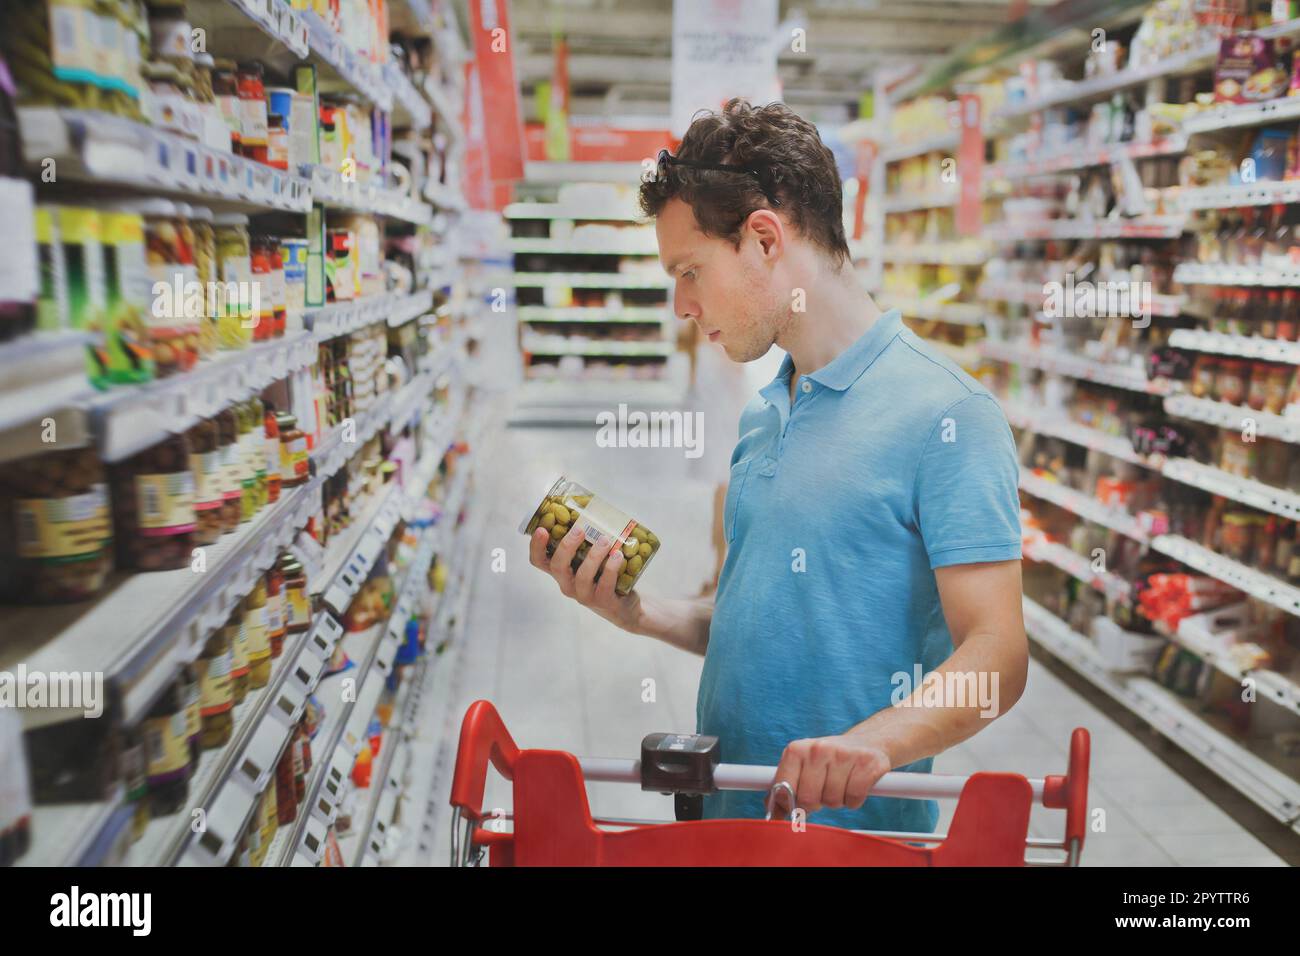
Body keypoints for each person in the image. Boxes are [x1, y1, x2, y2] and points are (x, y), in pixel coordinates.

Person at [527, 98, 1027, 834]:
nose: (681, 305)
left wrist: (872, 744)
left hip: (855, 844)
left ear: (764, 239)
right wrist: (641, 614)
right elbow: (758, 620)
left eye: (690, 270)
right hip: (730, 823)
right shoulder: (765, 410)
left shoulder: (948, 416)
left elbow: (999, 659)